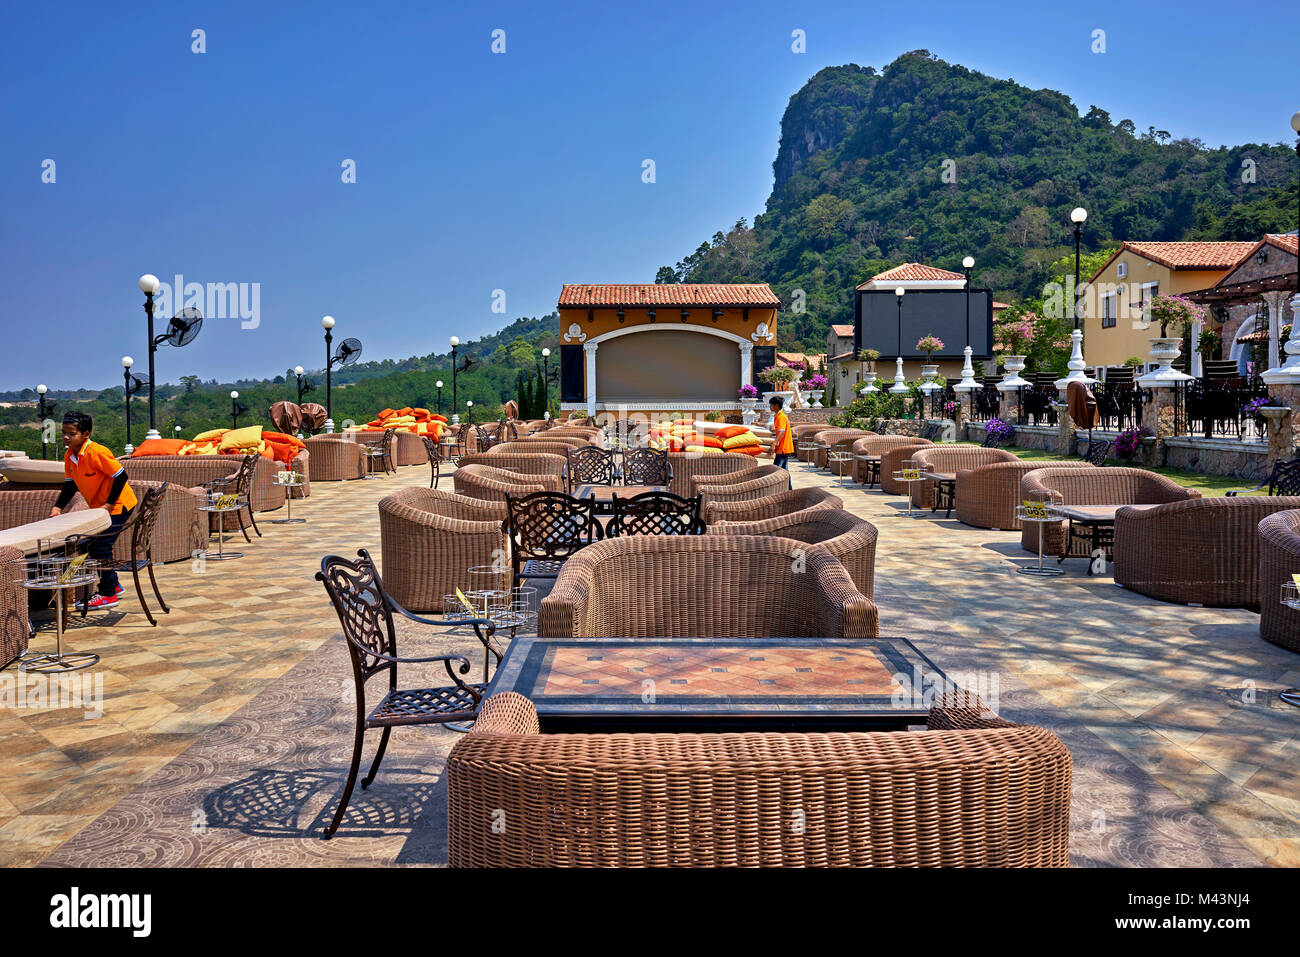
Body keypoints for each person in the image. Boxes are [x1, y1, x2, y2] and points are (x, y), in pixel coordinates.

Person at [50, 412, 138, 609]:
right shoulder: (69, 455)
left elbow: (121, 476)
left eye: (71, 434)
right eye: (64, 433)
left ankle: (107, 594)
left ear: (86, 434)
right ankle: (113, 585)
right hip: (102, 508)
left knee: (100, 547)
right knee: (96, 545)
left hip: (118, 505)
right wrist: (58, 507)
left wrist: (107, 504)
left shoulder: (96, 452)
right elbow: (70, 485)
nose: (66, 437)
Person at [770, 395, 794, 489]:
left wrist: (774, 443)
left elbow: (781, 431)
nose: (770, 407)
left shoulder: (780, 417)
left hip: (783, 448)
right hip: (783, 448)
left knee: (777, 470)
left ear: (776, 406)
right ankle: (789, 490)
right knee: (784, 470)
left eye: (771, 405)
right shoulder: (778, 416)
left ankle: (782, 489)